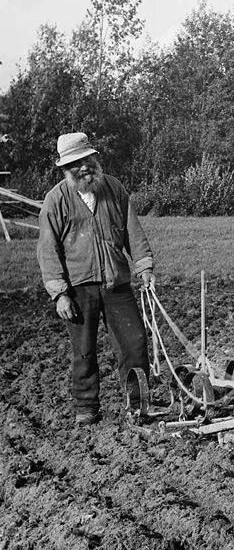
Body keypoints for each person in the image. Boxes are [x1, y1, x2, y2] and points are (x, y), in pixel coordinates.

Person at [37, 132, 155, 427]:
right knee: (84, 350)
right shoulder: (56, 200)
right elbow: (48, 249)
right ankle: (87, 406)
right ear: (66, 169)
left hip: (116, 282)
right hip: (78, 287)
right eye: (75, 164)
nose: (84, 167)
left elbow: (133, 232)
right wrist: (59, 293)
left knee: (134, 342)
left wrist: (144, 267)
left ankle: (137, 403)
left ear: (94, 158)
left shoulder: (115, 189)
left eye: (87, 159)